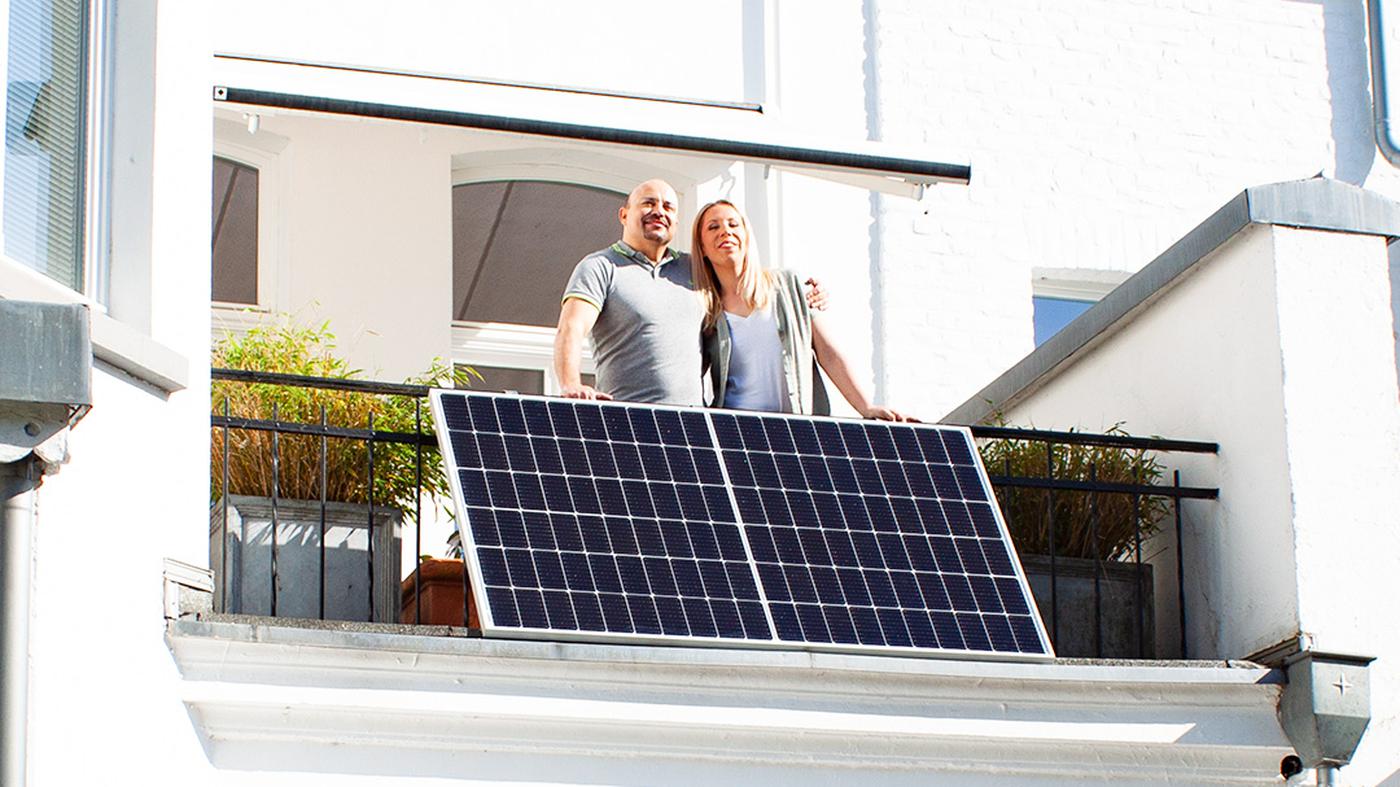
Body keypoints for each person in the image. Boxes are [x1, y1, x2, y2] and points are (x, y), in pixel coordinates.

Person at [553, 179, 827, 405]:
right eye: (648, 203)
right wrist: (571, 384)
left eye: (668, 206)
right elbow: (572, 328)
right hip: (627, 420)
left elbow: (743, 280)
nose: (659, 211)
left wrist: (802, 295)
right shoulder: (601, 267)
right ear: (624, 215)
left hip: (692, 428)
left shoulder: (695, 270)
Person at [691, 199, 914, 421]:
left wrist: (866, 407)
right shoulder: (705, 309)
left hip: (795, 428)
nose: (725, 232)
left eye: (733, 224)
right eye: (713, 227)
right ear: (702, 248)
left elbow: (828, 353)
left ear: (746, 235)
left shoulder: (789, 286)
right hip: (735, 430)